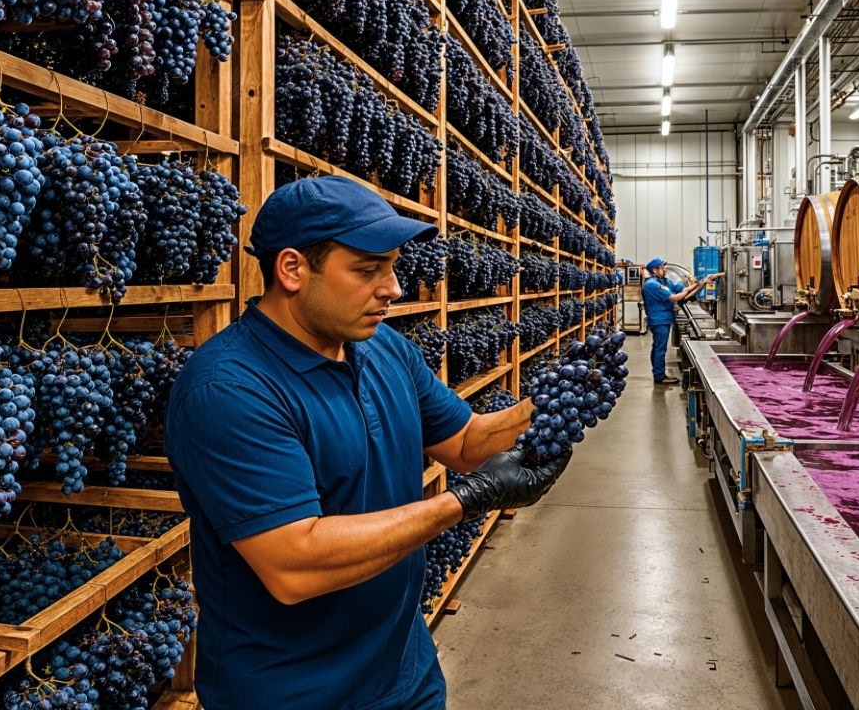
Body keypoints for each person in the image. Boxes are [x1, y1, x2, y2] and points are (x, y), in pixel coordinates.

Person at [165, 175, 572, 710]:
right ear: (292, 269)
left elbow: (467, 441)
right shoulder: (229, 389)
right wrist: (466, 501)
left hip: (405, 670)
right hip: (294, 691)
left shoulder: (385, 350)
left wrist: (550, 408)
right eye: (367, 270)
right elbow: (295, 565)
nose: (394, 288)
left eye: (392, 266)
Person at [641, 257, 722, 384]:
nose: (665, 270)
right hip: (659, 320)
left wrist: (702, 282)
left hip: (665, 318)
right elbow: (674, 297)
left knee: (658, 347)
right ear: (654, 270)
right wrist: (698, 286)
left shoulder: (663, 281)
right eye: (662, 268)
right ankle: (659, 376)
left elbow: (684, 290)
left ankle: (659, 373)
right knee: (660, 348)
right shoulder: (652, 285)